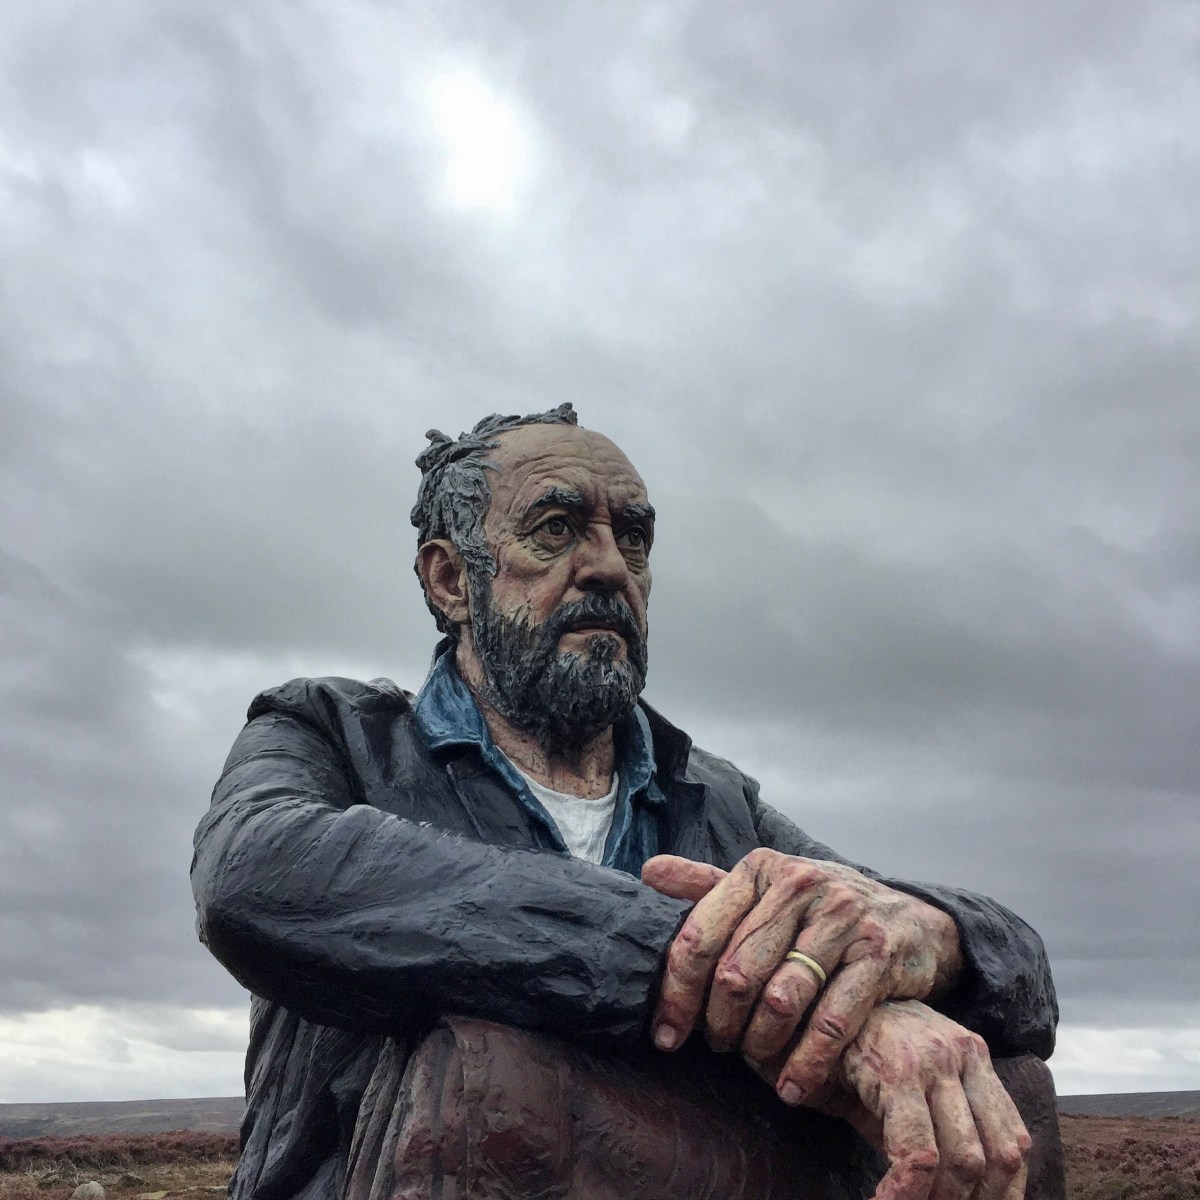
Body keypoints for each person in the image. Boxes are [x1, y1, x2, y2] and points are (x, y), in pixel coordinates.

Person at [192, 404, 1058, 1200]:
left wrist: (918, 940)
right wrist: (748, 970)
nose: (608, 566)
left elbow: (1019, 973)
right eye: (556, 529)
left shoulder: (713, 800)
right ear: (452, 580)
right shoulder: (330, 735)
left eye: (633, 538)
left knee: (1003, 1090)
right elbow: (254, 874)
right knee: (496, 1074)